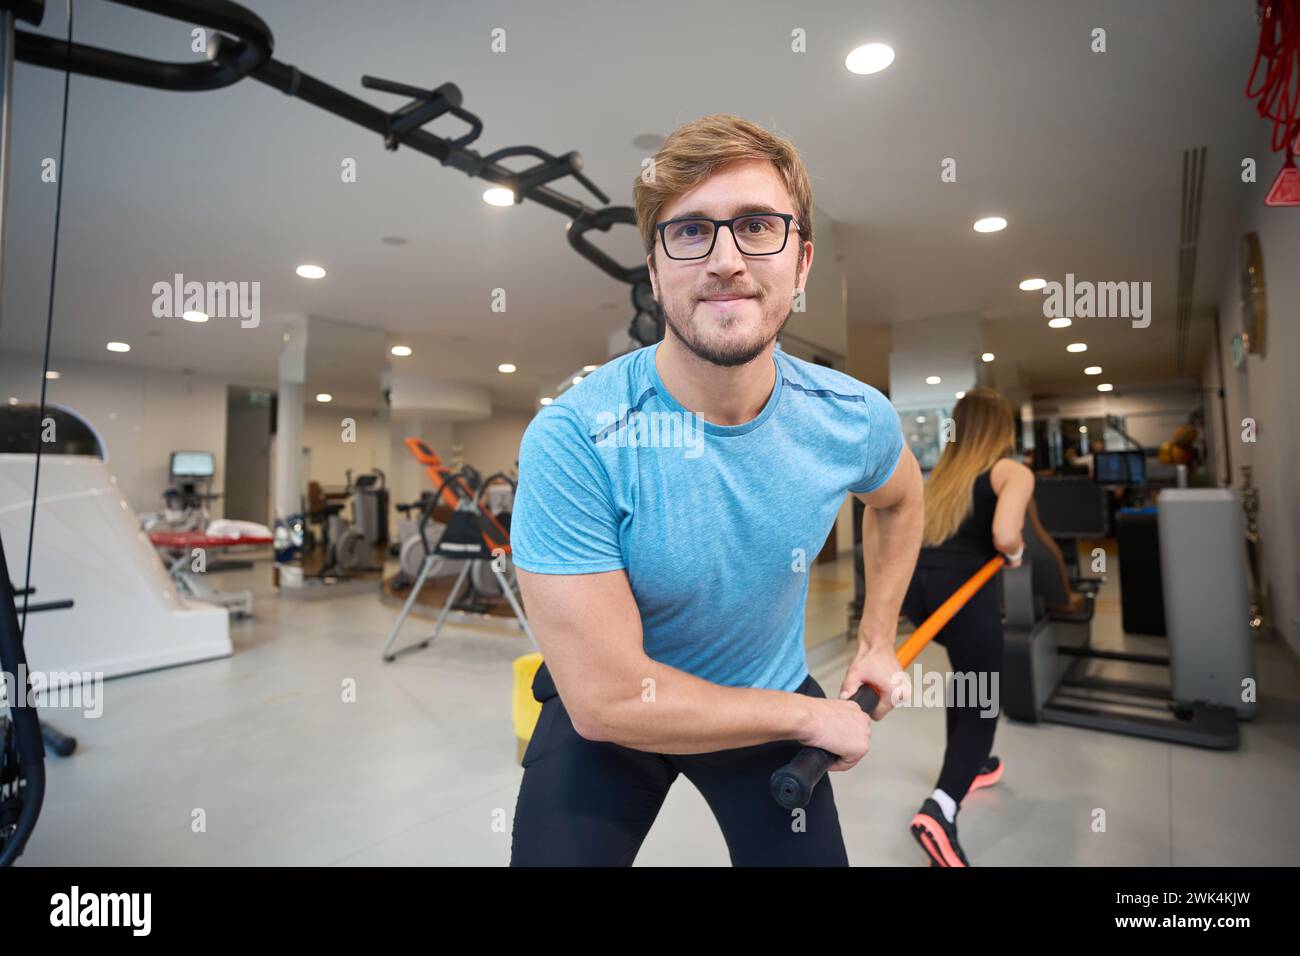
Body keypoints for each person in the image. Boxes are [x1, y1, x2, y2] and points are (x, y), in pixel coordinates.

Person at [507, 114, 924, 866]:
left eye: (757, 225)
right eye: (691, 231)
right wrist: (809, 715)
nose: (727, 260)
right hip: (616, 715)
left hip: (760, 697)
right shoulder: (577, 437)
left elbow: (899, 499)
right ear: (655, 266)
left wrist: (876, 640)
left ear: (801, 264)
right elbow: (606, 699)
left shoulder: (852, 417)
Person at [900, 387, 1033, 867]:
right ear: (1003, 430)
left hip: (922, 592)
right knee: (983, 698)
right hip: (965, 594)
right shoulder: (1010, 470)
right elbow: (1005, 534)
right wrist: (1014, 556)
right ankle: (942, 808)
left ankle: (974, 765)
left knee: (966, 677)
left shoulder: (944, 478)